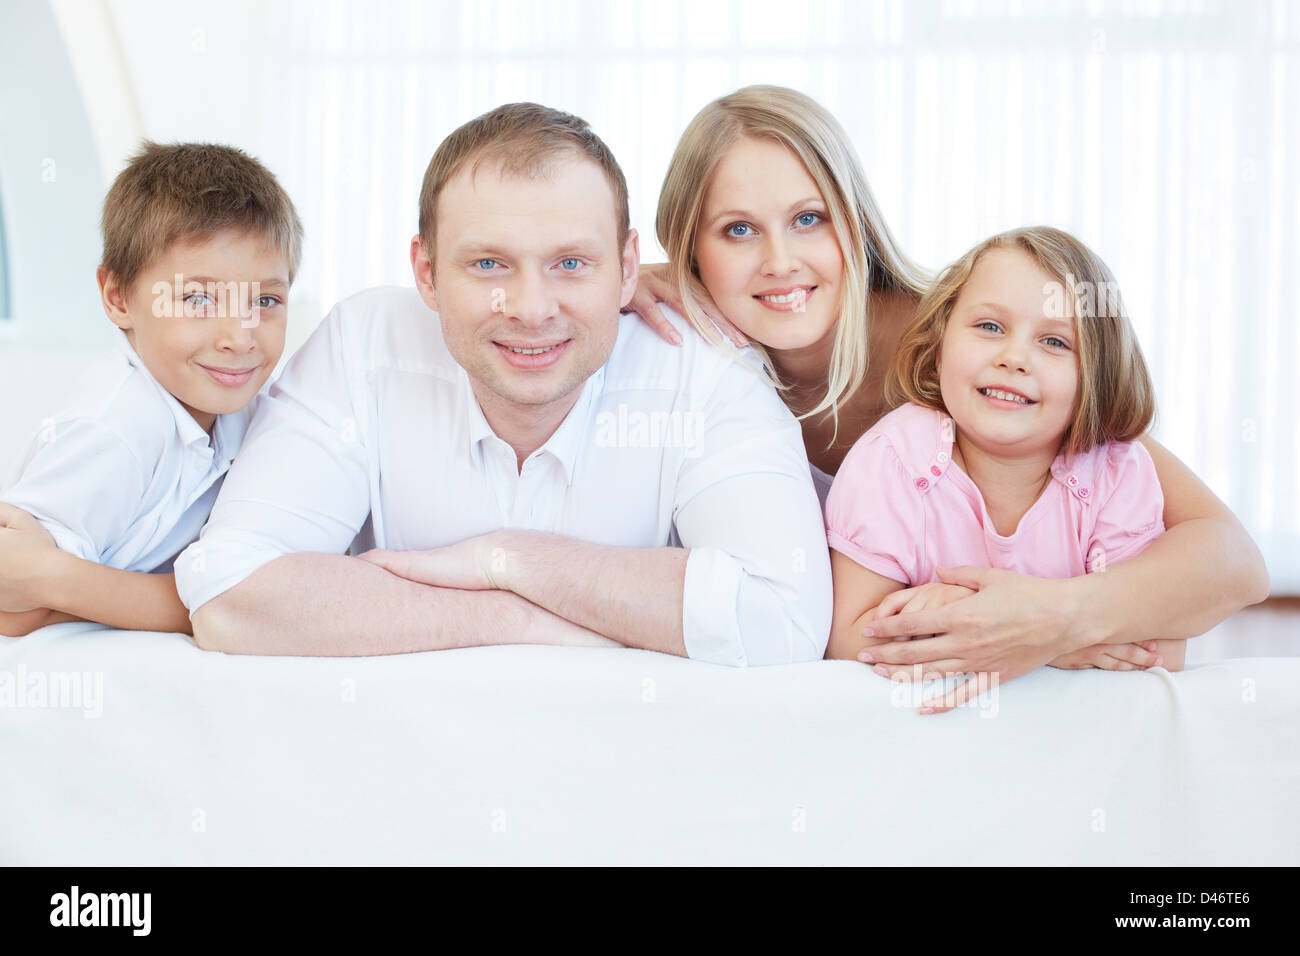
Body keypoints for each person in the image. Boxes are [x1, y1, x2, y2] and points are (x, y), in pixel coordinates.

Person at [626, 85, 1268, 703]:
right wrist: (612, 282)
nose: (779, 261)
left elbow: (1235, 562)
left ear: (854, 224)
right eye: (737, 230)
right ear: (689, 248)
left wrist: (1052, 622)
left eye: (808, 219)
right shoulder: (685, 359)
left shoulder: (960, 351)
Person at [178, 102, 831, 666]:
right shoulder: (364, 344)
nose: (530, 307)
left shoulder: (708, 371)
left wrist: (506, 559)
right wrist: (515, 619)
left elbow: (787, 615)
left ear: (629, 268)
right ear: (427, 273)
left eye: (571, 263)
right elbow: (229, 596)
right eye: (489, 263)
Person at [825, 227, 1186, 700]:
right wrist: (1049, 641)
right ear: (939, 345)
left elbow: (1161, 650)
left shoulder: (1117, 472)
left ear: (1098, 374)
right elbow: (849, 640)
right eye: (989, 327)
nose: (1014, 358)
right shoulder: (892, 457)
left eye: (1055, 342)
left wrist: (1034, 637)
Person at [0, 142, 300, 637]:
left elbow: (257, 590)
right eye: (198, 298)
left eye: (266, 299)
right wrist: (205, 602)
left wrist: (75, 588)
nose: (240, 337)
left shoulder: (252, 413)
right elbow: (18, 603)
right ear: (118, 298)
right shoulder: (114, 431)